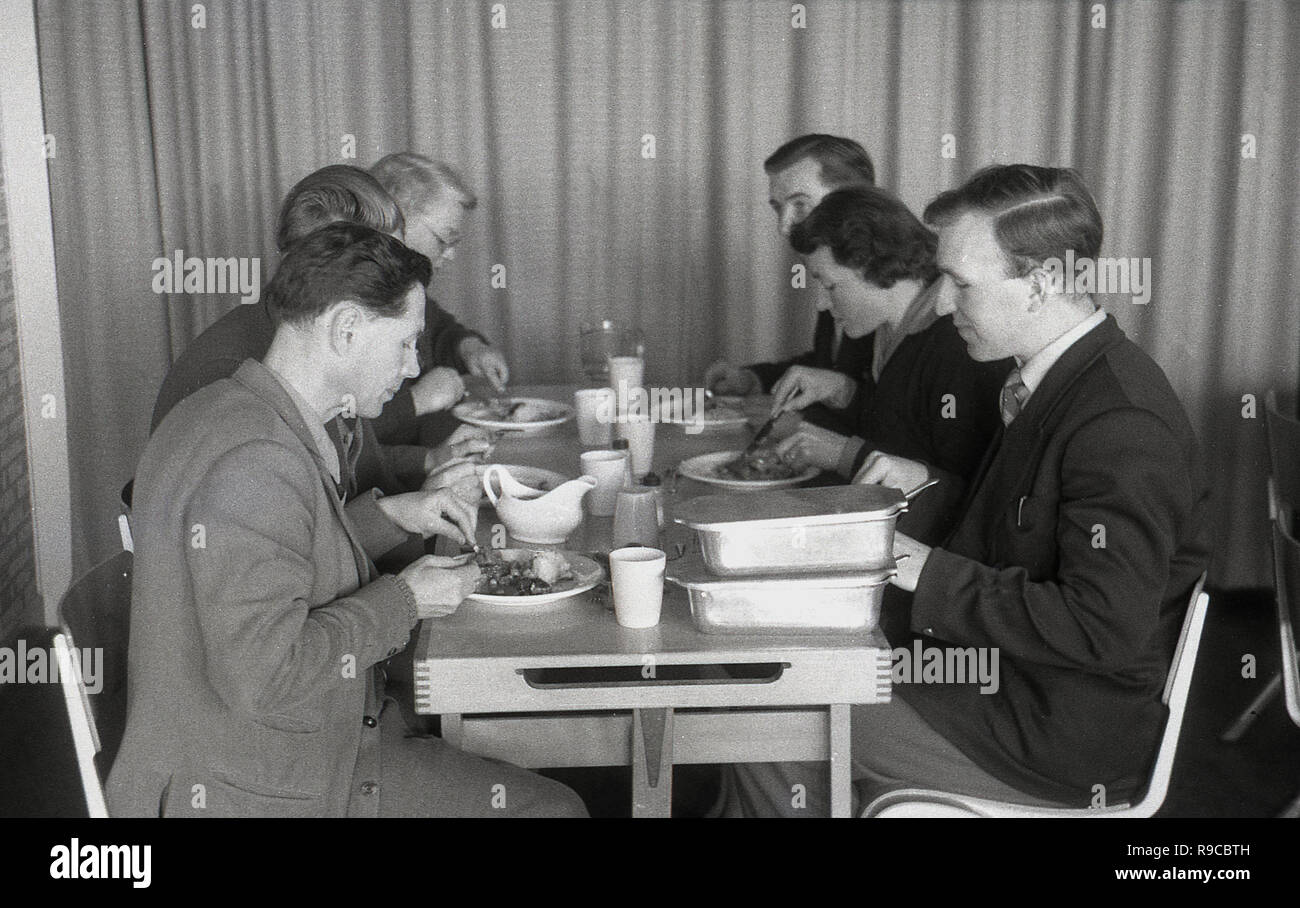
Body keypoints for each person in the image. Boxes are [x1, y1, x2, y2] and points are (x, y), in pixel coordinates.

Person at [724, 164, 1211, 817]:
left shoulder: (1120, 424)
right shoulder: (1049, 378)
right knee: (771, 665)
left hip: (1048, 729)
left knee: (765, 714)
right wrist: (927, 482)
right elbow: (1025, 531)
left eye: (960, 283)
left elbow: (1105, 627)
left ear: (1042, 283)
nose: (944, 304)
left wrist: (924, 569)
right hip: (995, 676)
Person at [108, 223, 587, 817]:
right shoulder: (254, 460)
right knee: (554, 810)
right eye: (407, 342)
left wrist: (389, 515)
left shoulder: (232, 409)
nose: (413, 367)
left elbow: (279, 567)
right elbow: (268, 677)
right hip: (256, 785)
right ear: (346, 329)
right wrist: (405, 600)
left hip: (267, 748)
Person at [150, 164, 488, 495]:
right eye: (379, 266)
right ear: (323, 262)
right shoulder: (236, 373)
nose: (393, 278)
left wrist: (430, 461)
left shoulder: (311, 344)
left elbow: (357, 467)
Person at [767, 186, 1009, 539]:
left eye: (830, 286)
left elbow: (967, 492)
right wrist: (845, 392)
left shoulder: (958, 345)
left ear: (869, 265)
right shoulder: (884, 331)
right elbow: (904, 426)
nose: (822, 304)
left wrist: (847, 455)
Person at [703, 135, 876, 434]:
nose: (784, 227)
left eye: (800, 204)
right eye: (777, 207)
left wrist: (808, 424)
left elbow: (905, 416)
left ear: (856, 199)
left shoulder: (893, 283)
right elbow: (828, 368)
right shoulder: (833, 269)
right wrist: (753, 379)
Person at [368, 153, 510, 447]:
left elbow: (437, 327)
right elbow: (333, 438)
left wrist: (468, 348)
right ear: (393, 223)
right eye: (443, 240)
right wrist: (417, 401)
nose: (450, 254)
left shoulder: (400, 287)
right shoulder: (352, 301)